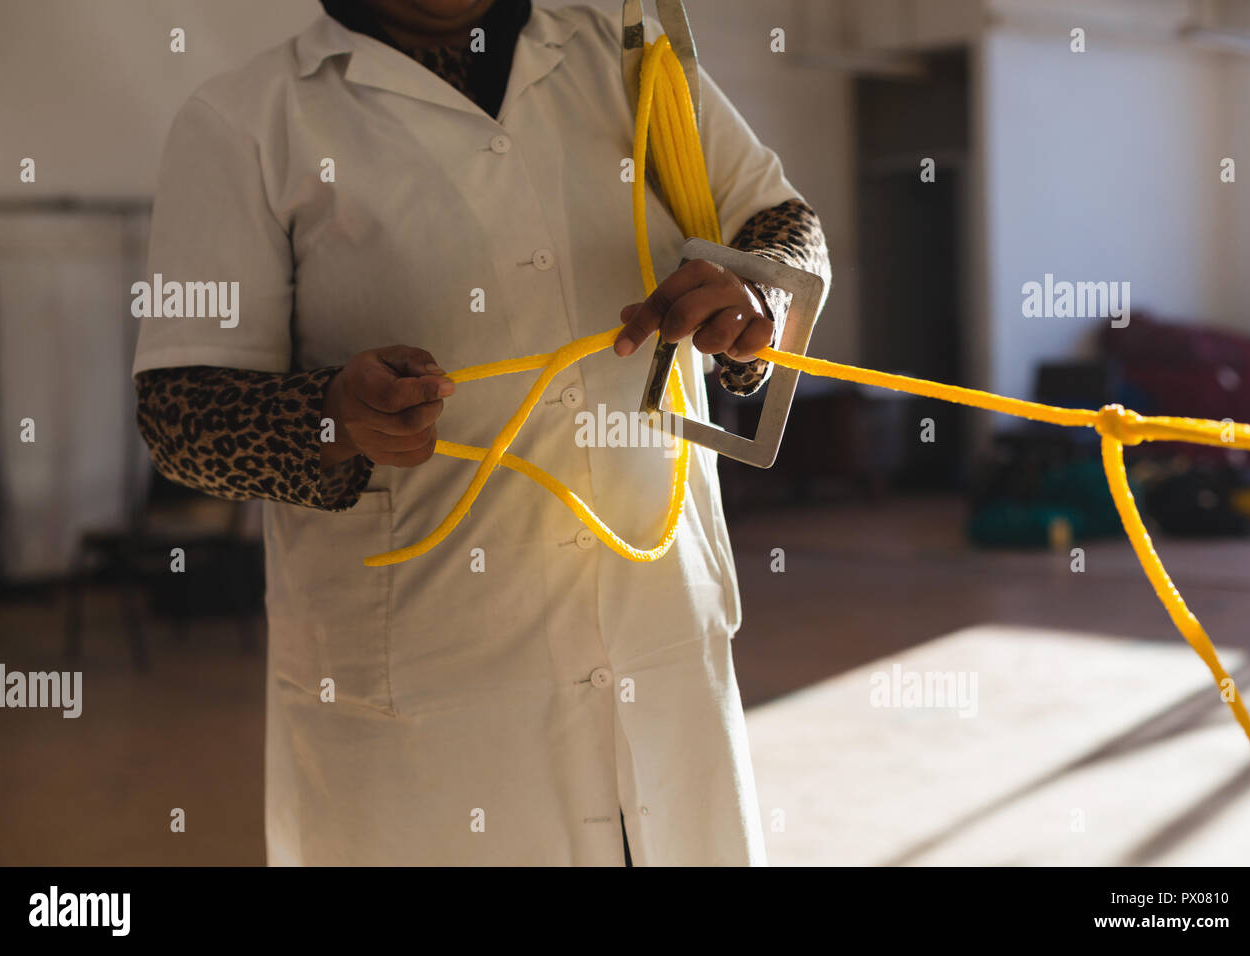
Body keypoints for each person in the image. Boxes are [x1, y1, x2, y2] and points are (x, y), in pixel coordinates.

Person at [132, 0, 830, 865]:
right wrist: (332, 416)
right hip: (428, 696)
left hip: (661, 648)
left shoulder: (626, 52)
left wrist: (756, 299)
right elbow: (180, 413)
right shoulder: (249, 117)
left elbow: (783, 225)